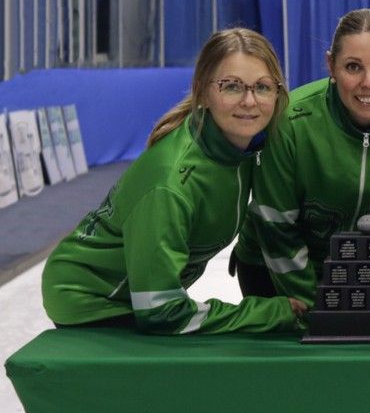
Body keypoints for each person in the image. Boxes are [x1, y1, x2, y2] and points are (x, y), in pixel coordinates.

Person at [41, 28, 305, 334]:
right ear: (203, 91)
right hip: (91, 300)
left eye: (262, 87)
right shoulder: (171, 183)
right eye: (231, 87)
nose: (249, 101)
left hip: (141, 297)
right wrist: (267, 311)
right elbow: (162, 312)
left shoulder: (242, 147)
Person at [232, 8, 370, 305]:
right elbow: (276, 230)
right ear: (331, 65)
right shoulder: (290, 122)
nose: (368, 83)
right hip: (274, 270)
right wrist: (319, 309)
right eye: (353, 67)